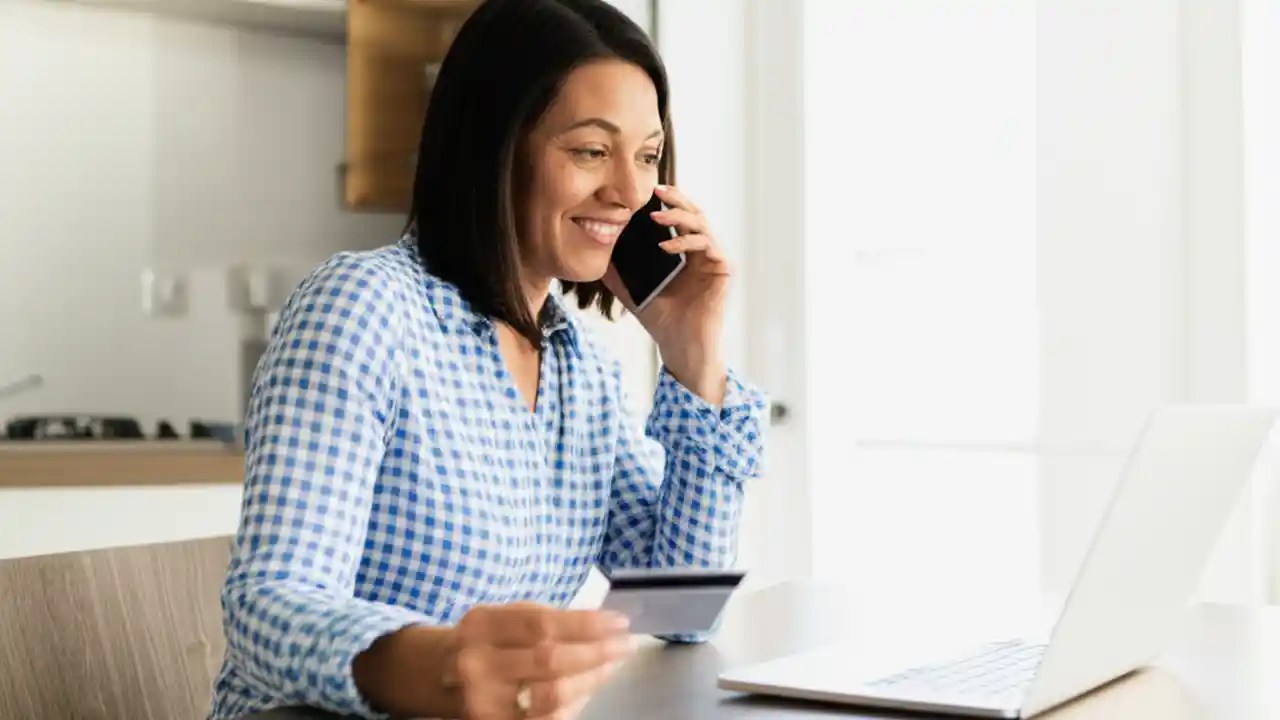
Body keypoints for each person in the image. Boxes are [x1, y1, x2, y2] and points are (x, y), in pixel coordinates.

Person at [208, 0, 766, 718]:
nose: (630, 191)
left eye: (648, 155)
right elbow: (268, 606)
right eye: (591, 151)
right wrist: (435, 666)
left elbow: (680, 607)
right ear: (494, 147)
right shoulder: (365, 309)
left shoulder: (580, 370)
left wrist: (693, 356)